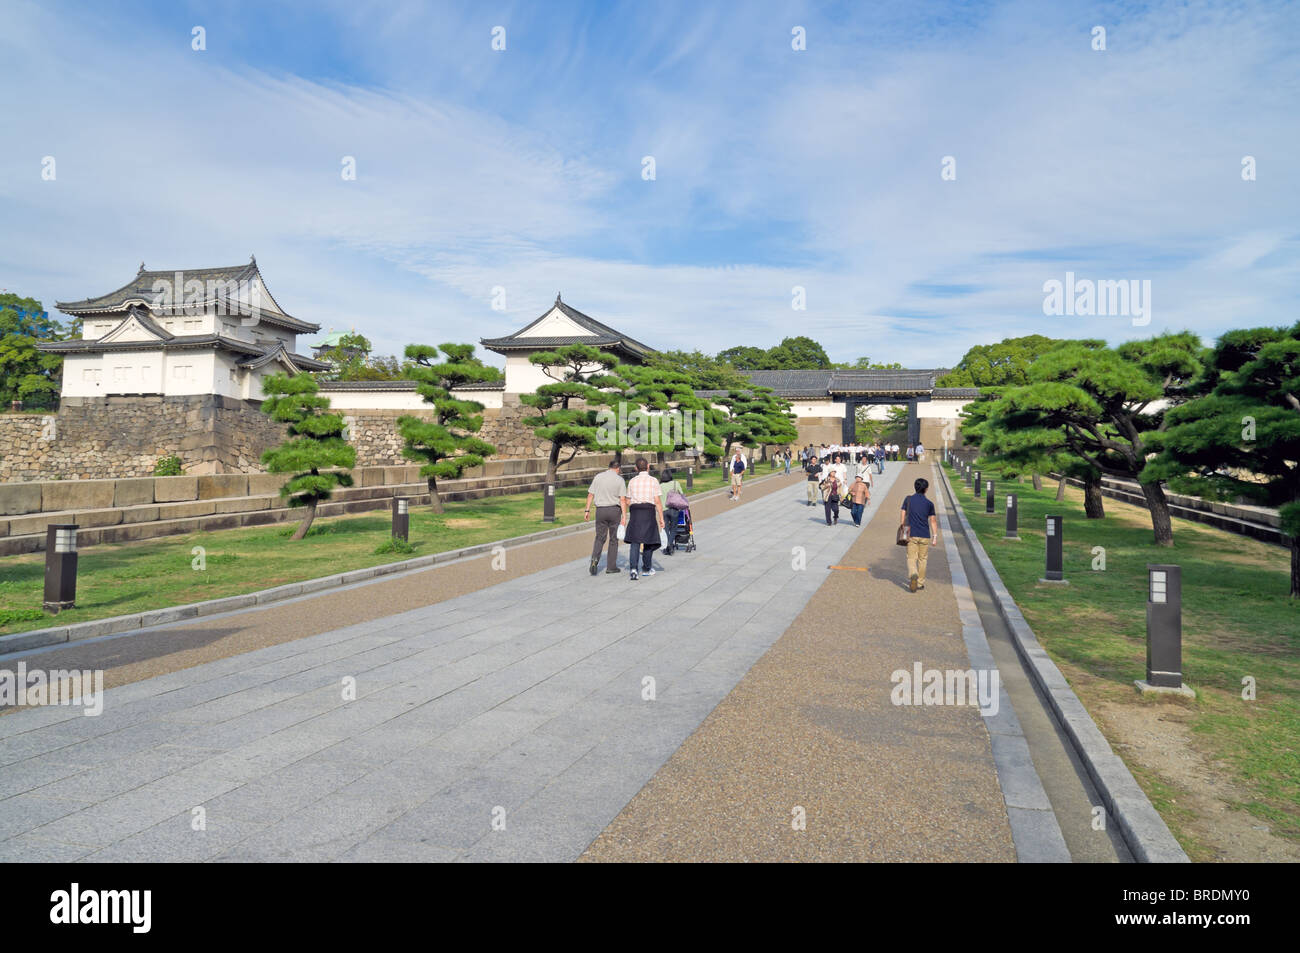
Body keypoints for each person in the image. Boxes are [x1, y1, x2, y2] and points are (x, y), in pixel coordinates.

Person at [621, 457, 665, 581]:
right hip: (648, 511)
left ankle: (633, 569)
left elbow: (628, 500)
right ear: (648, 466)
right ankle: (646, 568)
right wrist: (661, 518)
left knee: (635, 542)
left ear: (636, 468)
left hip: (635, 512)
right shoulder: (653, 481)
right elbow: (657, 501)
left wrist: (635, 501)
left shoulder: (632, 481)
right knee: (649, 540)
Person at [585, 458, 626, 575]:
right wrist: (624, 515)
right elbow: (622, 499)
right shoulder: (620, 480)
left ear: (609, 467)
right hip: (614, 510)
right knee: (613, 539)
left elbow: (590, 495)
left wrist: (587, 510)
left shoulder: (598, 477)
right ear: (618, 469)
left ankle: (594, 560)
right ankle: (611, 566)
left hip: (601, 510)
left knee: (600, 537)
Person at [899, 477, 940, 593]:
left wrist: (902, 526)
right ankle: (920, 583)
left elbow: (903, 513)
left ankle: (913, 573)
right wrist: (935, 536)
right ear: (926, 489)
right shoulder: (929, 504)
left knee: (911, 558)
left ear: (915, 487)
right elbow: (933, 521)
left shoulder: (908, 500)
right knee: (923, 559)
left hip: (911, 533)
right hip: (925, 535)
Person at [659, 467, 686, 555]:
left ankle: (667, 545)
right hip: (674, 509)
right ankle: (670, 545)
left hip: (663, 510)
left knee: (666, 528)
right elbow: (682, 494)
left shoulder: (660, 486)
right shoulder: (675, 483)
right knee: (674, 528)